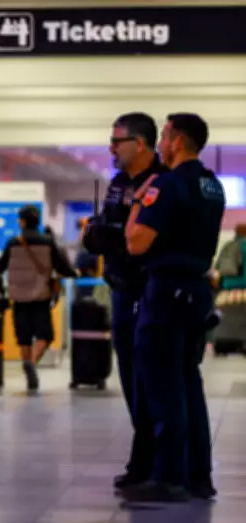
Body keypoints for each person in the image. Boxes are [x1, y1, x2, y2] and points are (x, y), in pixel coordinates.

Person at [121, 113, 223, 503]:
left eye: (164, 136)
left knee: (163, 389)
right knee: (188, 384)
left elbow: (136, 242)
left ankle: (168, 477)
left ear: (178, 141)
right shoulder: (212, 185)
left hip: (165, 294)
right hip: (196, 291)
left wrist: (136, 202)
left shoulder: (165, 184)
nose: (160, 144)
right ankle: (199, 476)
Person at [83, 112, 165, 492]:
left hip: (148, 291)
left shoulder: (160, 183)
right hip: (120, 288)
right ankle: (143, 458)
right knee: (131, 379)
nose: (111, 147)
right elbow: (97, 236)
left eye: (118, 140)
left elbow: (138, 239)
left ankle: (154, 462)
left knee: (151, 378)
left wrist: (110, 232)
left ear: (141, 143)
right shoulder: (117, 185)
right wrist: (109, 232)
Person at [0, 206, 76, 391]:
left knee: (23, 337)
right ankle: (31, 363)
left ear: (22, 222)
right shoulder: (47, 242)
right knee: (45, 335)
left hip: (18, 296)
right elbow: (62, 266)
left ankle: (27, 365)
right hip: (40, 296)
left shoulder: (13, 243)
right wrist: (74, 273)